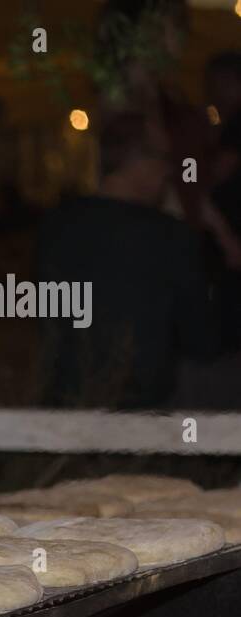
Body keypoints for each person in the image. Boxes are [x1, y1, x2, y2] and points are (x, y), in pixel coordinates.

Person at [36, 112, 218, 408]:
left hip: (64, 397)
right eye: (164, 160)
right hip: (142, 406)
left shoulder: (55, 225)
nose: (169, 172)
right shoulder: (167, 235)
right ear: (139, 163)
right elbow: (201, 340)